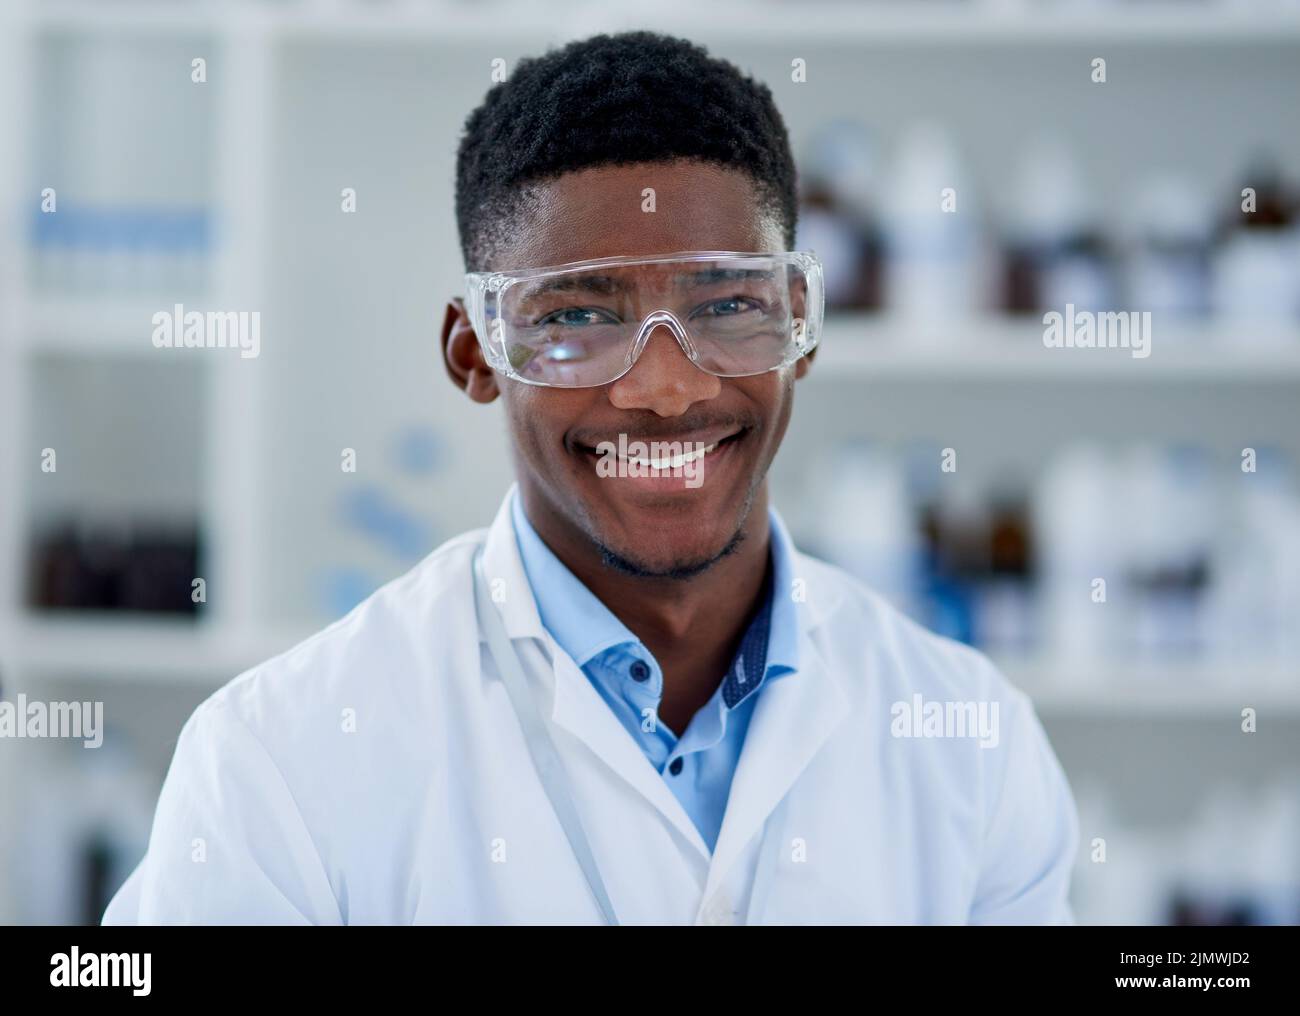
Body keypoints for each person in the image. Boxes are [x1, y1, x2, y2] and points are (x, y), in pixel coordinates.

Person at [104, 31, 1077, 925]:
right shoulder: (276, 766)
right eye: (576, 318)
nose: (664, 385)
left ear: (798, 328)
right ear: (473, 352)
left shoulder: (970, 742)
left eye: (729, 303)